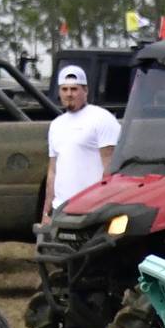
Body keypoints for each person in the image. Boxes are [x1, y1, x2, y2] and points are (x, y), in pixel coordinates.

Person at [45, 64, 120, 216]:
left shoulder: (101, 118)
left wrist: (106, 205)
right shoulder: (56, 125)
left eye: (74, 89)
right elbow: (53, 171)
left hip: (91, 208)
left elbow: (111, 167)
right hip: (60, 208)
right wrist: (46, 212)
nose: (69, 94)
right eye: (64, 89)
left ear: (85, 91)